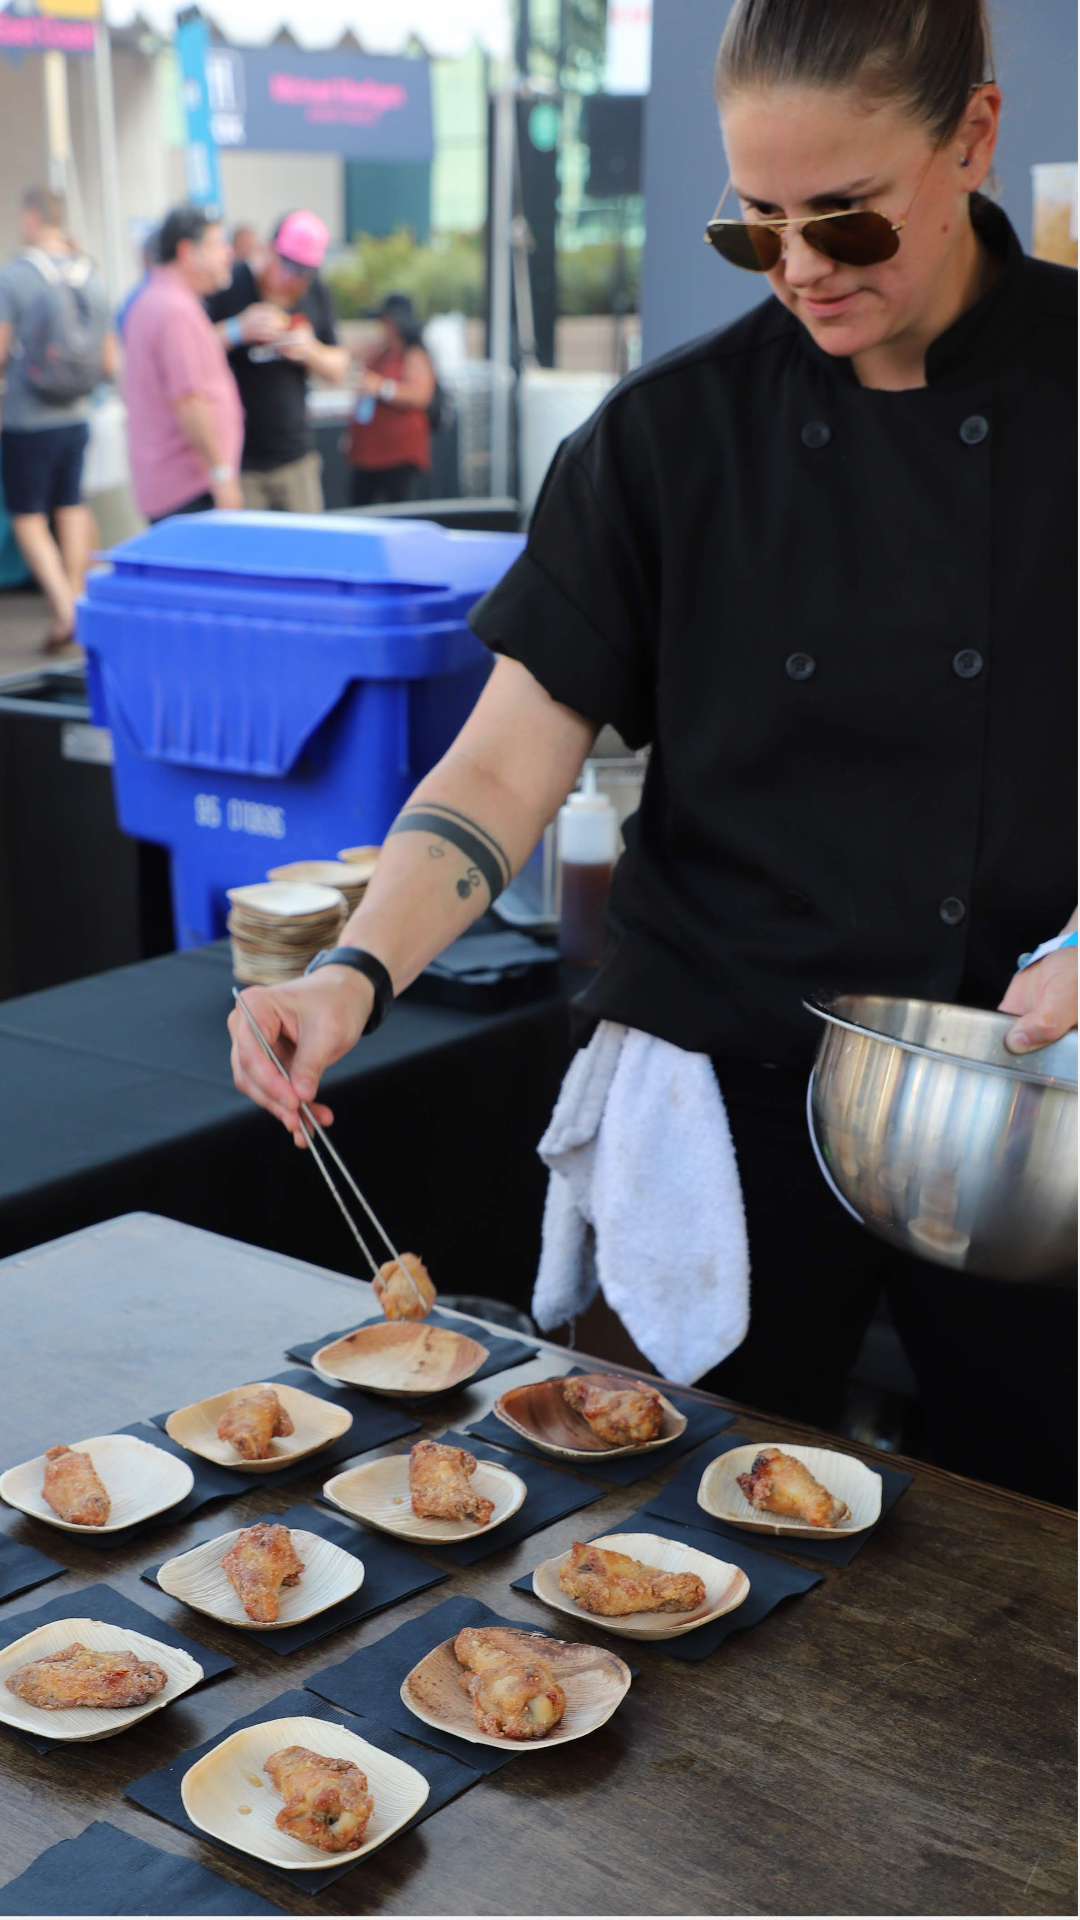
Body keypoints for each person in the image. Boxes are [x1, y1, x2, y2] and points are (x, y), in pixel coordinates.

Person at [229, 0, 1077, 1505]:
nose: (804, 267)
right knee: (685, 1536)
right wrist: (350, 970)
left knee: (1036, 1540)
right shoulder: (668, 440)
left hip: (1025, 1099)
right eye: (756, 227)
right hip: (735, 1093)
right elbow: (499, 769)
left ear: (975, 138)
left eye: (848, 222)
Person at [0, 187, 116, 648]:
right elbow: (110, 361)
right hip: (78, 414)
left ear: (30, 217)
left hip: (27, 418)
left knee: (27, 516)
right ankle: (75, 598)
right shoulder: (91, 274)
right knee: (71, 505)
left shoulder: (16, 275)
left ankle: (66, 609)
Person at [205, 211, 348, 513]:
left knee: (305, 555)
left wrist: (310, 350)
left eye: (305, 273)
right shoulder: (233, 283)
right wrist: (236, 330)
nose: (294, 279)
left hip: (296, 459)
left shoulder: (316, 293)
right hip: (241, 463)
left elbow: (339, 367)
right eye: (289, 267)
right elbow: (191, 350)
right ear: (269, 250)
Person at [121, 205, 243, 521]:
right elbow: (189, 401)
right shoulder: (175, 309)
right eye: (218, 245)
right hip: (189, 490)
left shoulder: (154, 299)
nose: (227, 254)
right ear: (187, 252)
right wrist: (221, 474)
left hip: (173, 487)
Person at [347, 292, 435, 506]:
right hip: (367, 452)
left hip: (397, 454)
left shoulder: (413, 355)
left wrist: (382, 387)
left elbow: (420, 395)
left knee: (400, 509)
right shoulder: (379, 352)